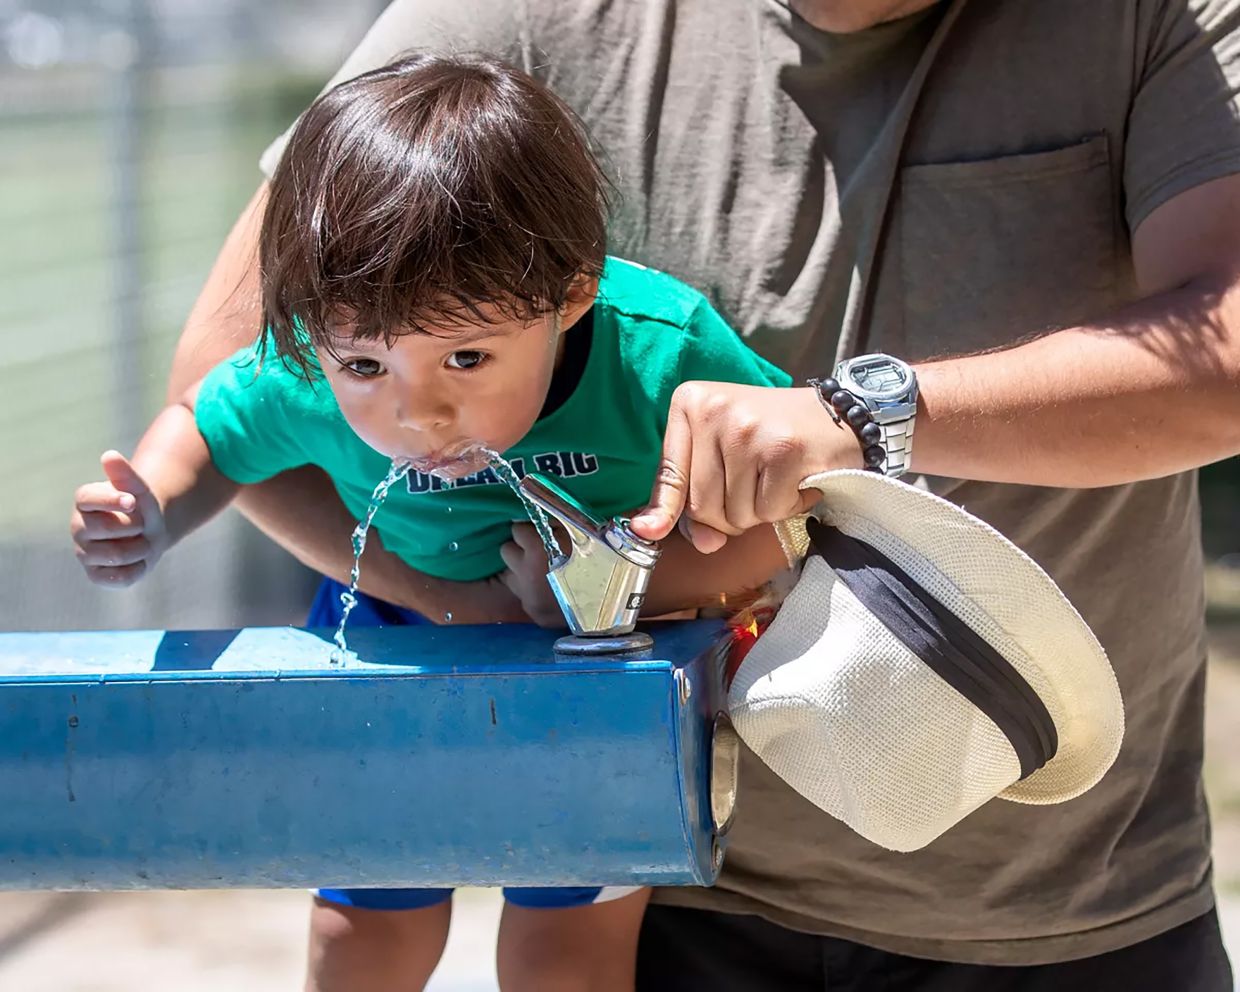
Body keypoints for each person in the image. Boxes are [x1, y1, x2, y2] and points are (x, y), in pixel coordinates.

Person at [147, 0, 1240, 989]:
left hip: (1067, 907)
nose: (416, 405)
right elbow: (238, 372)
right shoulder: (507, 13)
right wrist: (457, 604)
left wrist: (864, 418)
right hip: (668, 892)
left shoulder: (1157, 20)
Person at [68, 53, 791, 992]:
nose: (419, 415)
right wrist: (154, 506)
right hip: (388, 634)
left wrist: (604, 588)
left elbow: (794, 515)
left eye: (468, 357)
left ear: (570, 295)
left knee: (567, 944)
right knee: (362, 924)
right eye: (366, 368)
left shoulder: (658, 355)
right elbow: (206, 426)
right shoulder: (306, 360)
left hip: (606, 662)